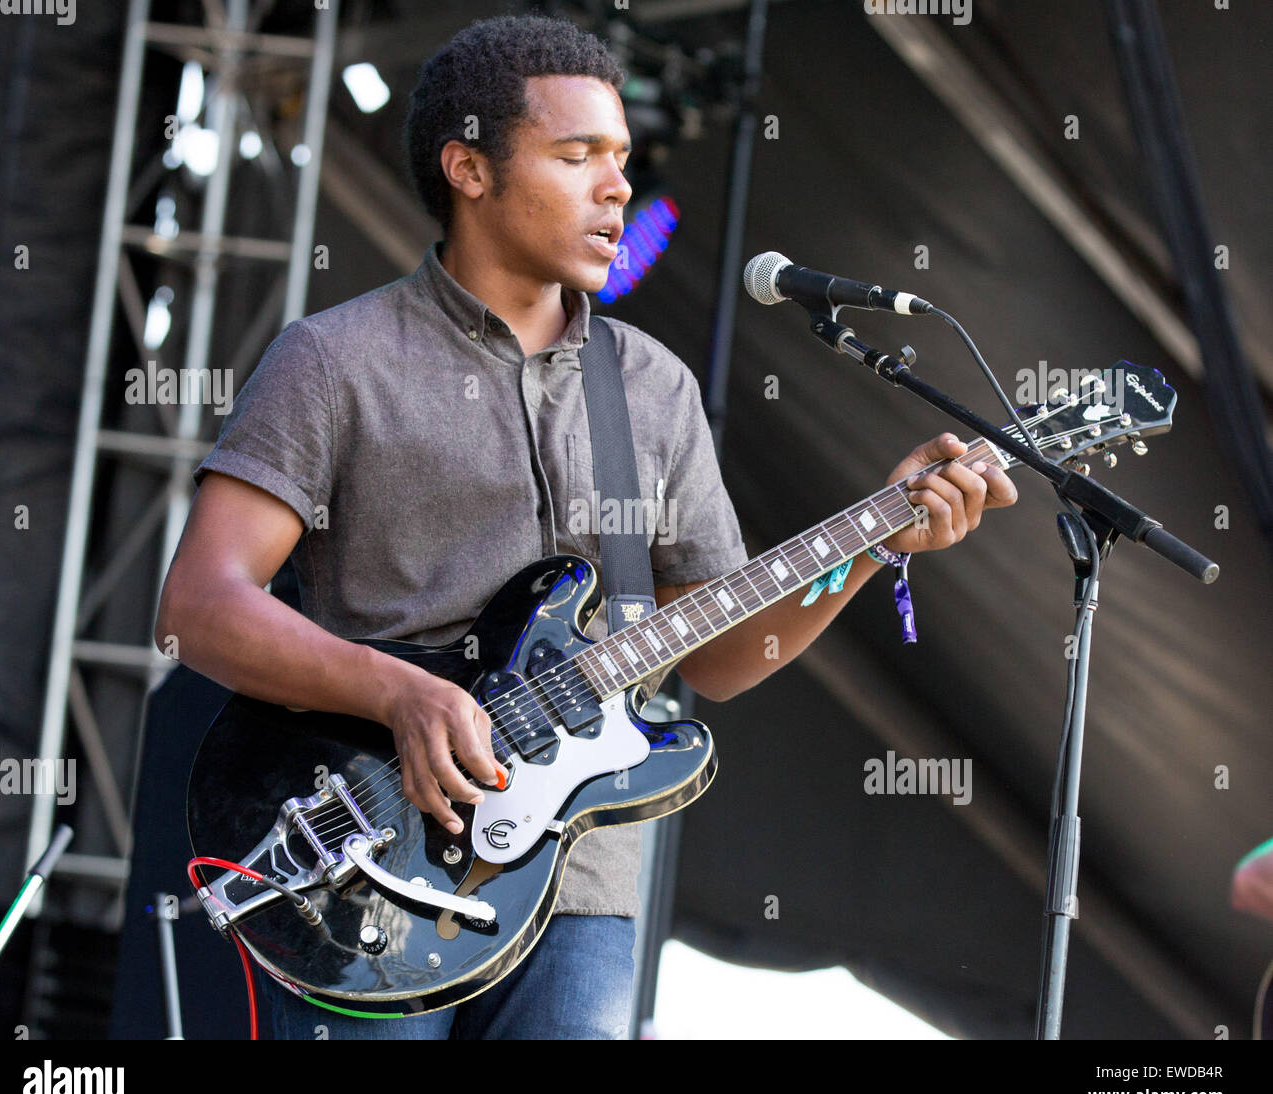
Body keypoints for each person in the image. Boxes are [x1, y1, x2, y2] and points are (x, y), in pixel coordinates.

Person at [154, 13, 1017, 1040]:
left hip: (581, 890)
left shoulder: (651, 387)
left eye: (619, 158)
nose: (617, 186)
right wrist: (401, 692)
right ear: (468, 168)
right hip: (369, 856)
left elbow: (731, 653)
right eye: (578, 157)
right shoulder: (334, 359)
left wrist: (877, 543)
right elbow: (199, 608)